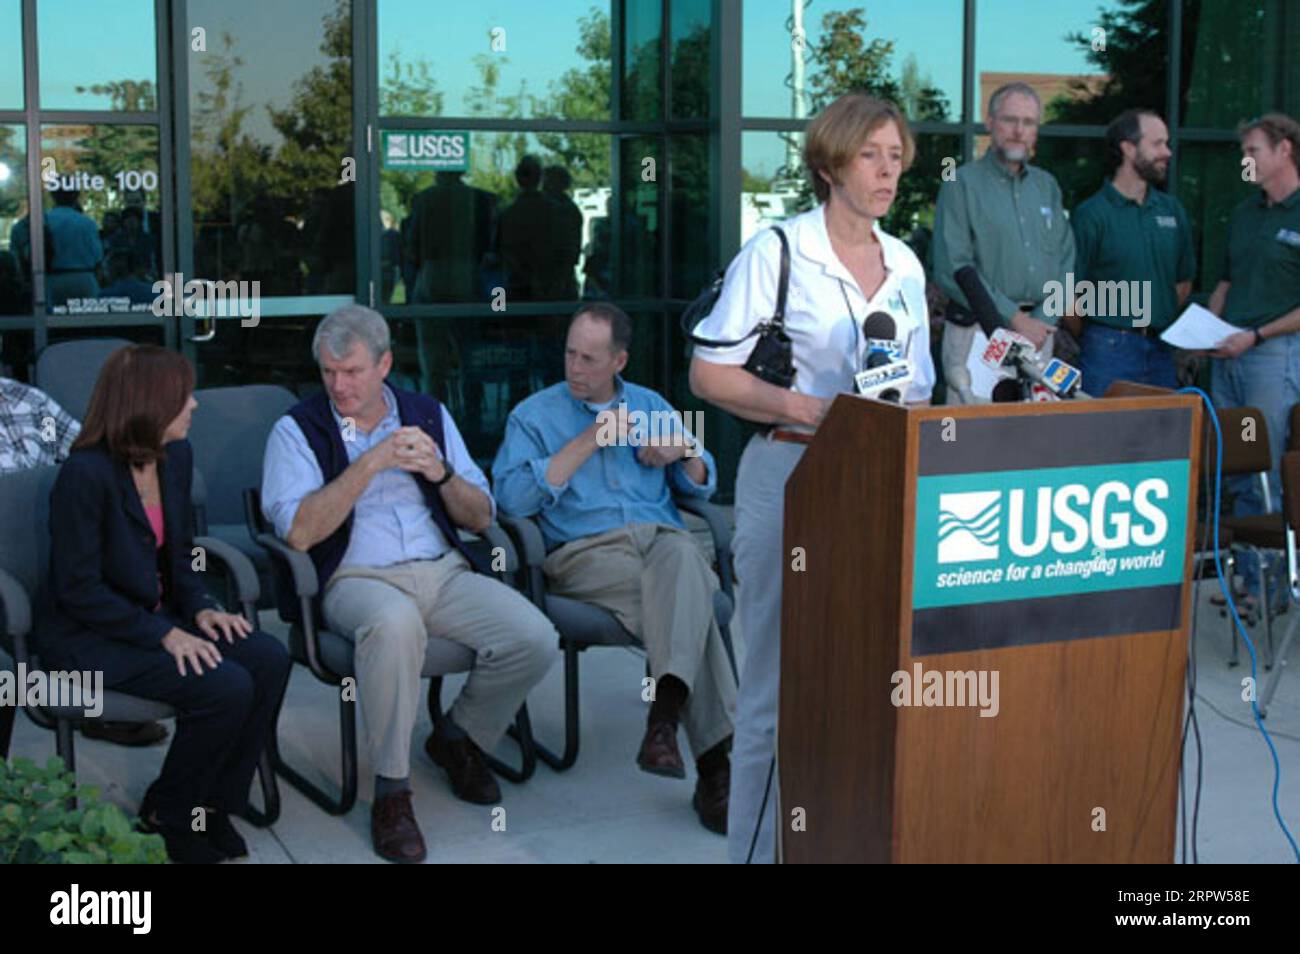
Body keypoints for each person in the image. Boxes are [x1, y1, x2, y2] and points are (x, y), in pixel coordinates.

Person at [689, 93, 934, 863]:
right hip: (788, 472)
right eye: (872, 155)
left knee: (861, 681)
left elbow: (919, 388)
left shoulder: (907, 265)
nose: (888, 170)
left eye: (896, 156)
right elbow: (708, 375)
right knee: (771, 691)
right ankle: (753, 854)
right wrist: (817, 408)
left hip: (877, 483)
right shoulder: (777, 251)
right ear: (831, 164)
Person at [261, 304, 557, 864]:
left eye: (351, 372)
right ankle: (392, 793)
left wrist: (440, 472)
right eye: (328, 372)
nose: (338, 385)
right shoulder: (297, 429)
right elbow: (299, 533)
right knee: (394, 626)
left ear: (384, 365)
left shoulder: (428, 413)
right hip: (354, 576)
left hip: (442, 569)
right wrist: (369, 462)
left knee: (534, 636)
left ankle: (458, 737)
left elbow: (479, 516)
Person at [38, 345, 291, 864]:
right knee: (224, 685)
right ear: (149, 404)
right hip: (89, 634)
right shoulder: (84, 475)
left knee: (267, 659)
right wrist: (165, 634)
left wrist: (200, 606)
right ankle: (168, 813)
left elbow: (182, 557)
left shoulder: (175, 457)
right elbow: (78, 590)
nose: (196, 405)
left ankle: (215, 806)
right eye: (185, 396)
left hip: (158, 616)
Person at [493, 302, 736, 834]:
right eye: (570, 354)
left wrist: (682, 451)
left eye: (590, 359)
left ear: (619, 360)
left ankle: (666, 724)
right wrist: (588, 441)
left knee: (678, 555)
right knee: (690, 590)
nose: (575, 368)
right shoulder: (534, 416)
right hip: (586, 555)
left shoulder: (653, 405)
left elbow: (704, 478)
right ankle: (711, 764)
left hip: (660, 545)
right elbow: (508, 500)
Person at [1207, 112, 1300, 617]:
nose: (1246, 160)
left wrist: (1257, 335)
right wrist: (1205, 333)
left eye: (1253, 151)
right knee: (1235, 467)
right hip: (1229, 356)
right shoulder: (1245, 213)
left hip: (1272, 356)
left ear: (1284, 149)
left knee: (1265, 466)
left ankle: (1270, 588)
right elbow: (1224, 282)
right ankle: (1244, 577)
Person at [931, 82, 1075, 402]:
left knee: (1031, 438)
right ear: (990, 122)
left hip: (1039, 335)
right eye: (1010, 120)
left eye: (1028, 123)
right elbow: (952, 267)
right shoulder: (960, 183)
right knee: (971, 438)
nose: (1018, 131)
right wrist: (1014, 319)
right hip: (979, 332)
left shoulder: (1047, 186)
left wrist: (1041, 320)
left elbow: (1066, 260)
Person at [1071, 109, 1195, 397]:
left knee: (1164, 440)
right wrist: (1103, 334)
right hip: (1107, 349)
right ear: (1128, 148)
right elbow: (1067, 297)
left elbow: (1182, 283)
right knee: (1103, 438)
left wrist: (1150, 317)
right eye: (1157, 144)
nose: (1168, 152)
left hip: (1162, 349)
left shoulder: (1172, 210)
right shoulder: (1091, 214)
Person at [45, 189, 104, 307]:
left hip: (54, 278)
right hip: (84, 278)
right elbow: (97, 255)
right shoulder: (87, 223)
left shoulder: (46, 221)